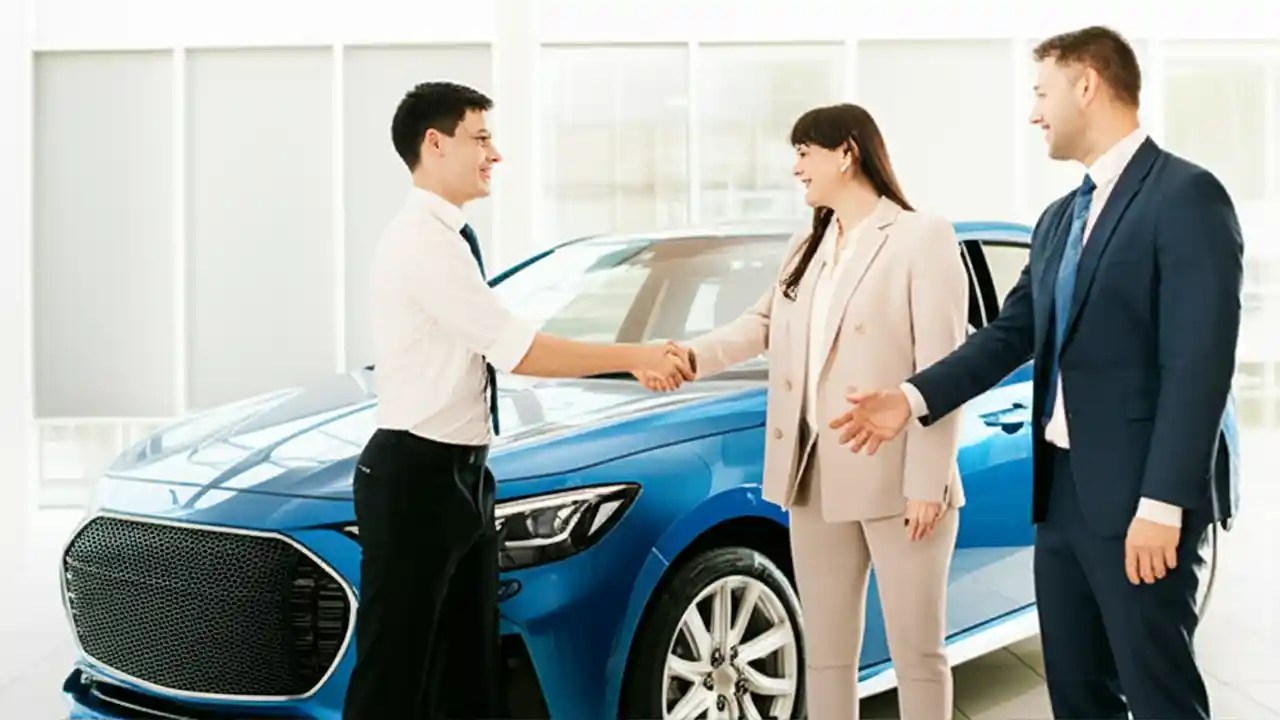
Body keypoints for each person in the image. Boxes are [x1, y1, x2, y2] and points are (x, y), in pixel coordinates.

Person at [829, 26, 1242, 720]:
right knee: (1077, 695)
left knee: (1160, 696)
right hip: (1063, 498)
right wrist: (911, 397)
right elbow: (1009, 335)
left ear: (1087, 85)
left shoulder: (1186, 197)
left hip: (1141, 498)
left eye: (1042, 93)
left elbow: (1198, 365)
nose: (1033, 113)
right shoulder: (1057, 221)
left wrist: (1162, 504)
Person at [343, 81, 693, 720]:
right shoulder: (423, 242)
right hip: (416, 476)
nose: (495, 154)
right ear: (435, 143)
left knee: (465, 676)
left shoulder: (448, 238)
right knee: (393, 679)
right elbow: (518, 349)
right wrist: (635, 355)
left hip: (463, 473)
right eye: (481, 138)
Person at [660, 103, 969, 720]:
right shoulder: (809, 245)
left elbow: (944, 367)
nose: (796, 168)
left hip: (898, 475)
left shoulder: (920, 236)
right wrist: (691, 357)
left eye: (804, 152)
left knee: (917, 653)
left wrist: (928, 482)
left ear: (846, 152)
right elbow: (761, 324)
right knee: (826, 655)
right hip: (814, 475)